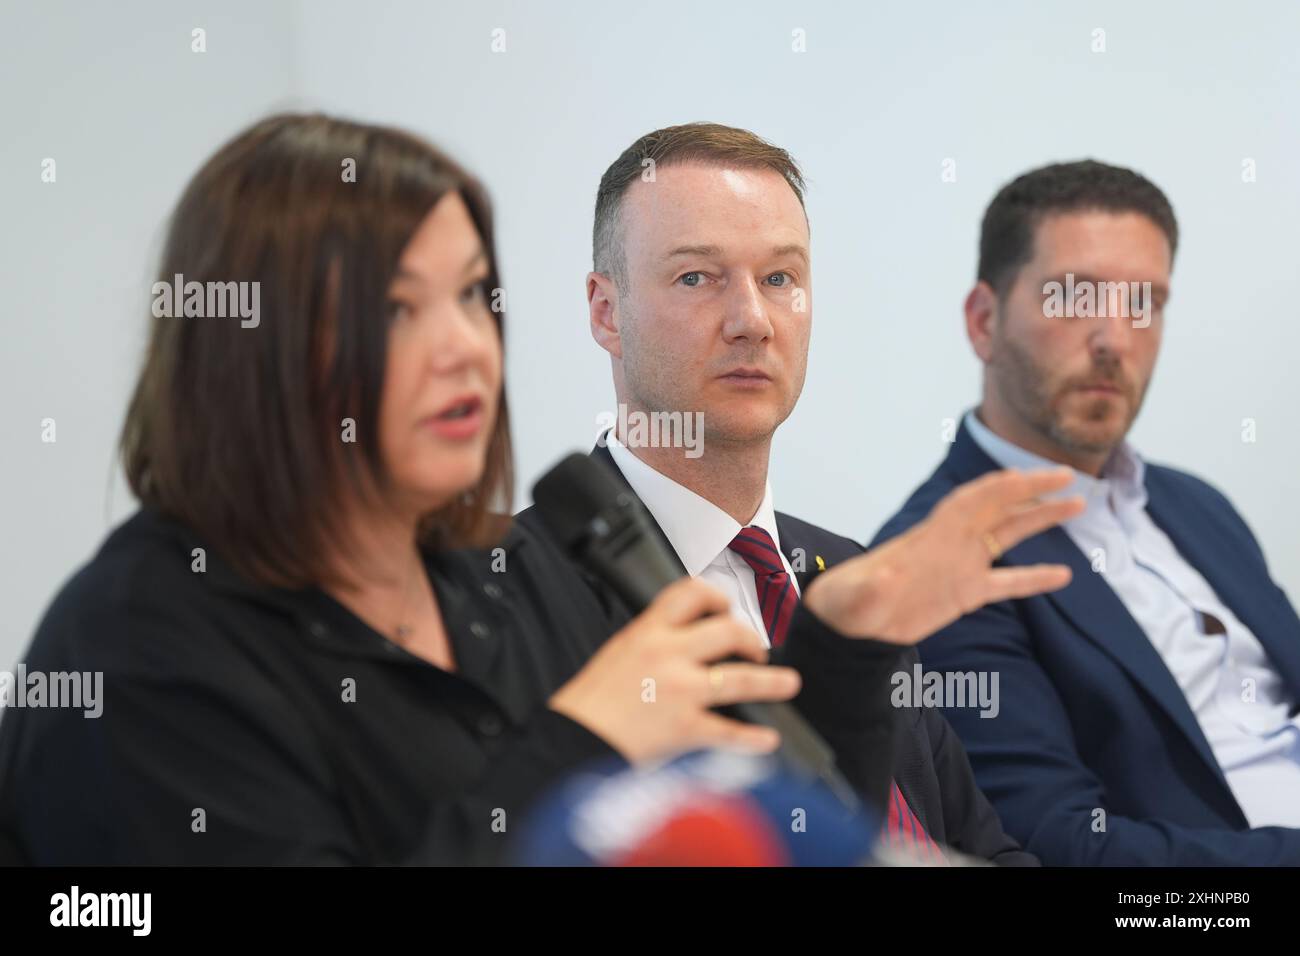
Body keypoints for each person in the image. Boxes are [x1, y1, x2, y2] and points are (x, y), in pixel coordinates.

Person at [0, 113, 815, 865]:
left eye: (469, 294)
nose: (463, 347)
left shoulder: (503, 573)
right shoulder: (137, 645)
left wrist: (854, 647)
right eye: (394, 308)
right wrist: (582, 744)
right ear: (253, 349)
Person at [518, 122, 1084, 864]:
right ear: (604, 311)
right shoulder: (511, 587)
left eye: (779, 279)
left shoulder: (849, 574)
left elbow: (979, 846)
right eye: (696, 277)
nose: (752, 321)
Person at [872, 159, 1300, 865]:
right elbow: (1059, 846)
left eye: (1145, 304)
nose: (1114, 339)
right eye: (1074, 298)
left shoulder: (1199, 506)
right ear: (984, 322)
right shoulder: (940, 559)